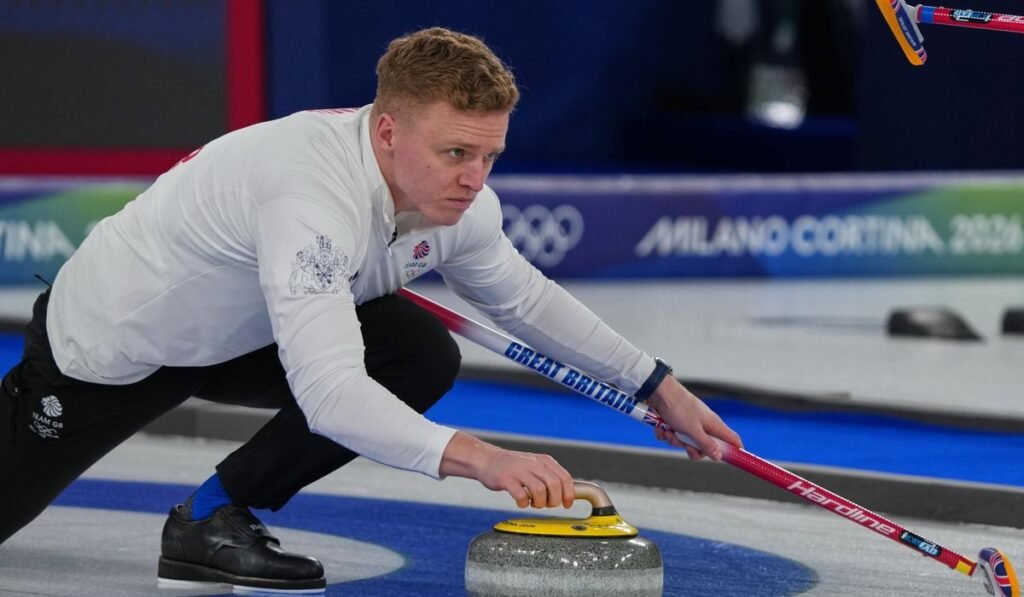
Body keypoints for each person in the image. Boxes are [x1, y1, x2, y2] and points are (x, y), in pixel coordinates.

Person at [0, 27, 742, 593]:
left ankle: (210, 516)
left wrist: (658, 388)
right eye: (456, 153)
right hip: (112, 347)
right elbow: (328, 395)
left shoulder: (460, 203)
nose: (474, 179)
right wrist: (483, 458)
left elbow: (524, 298)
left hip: (249, 328)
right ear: (387, 131)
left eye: (490, 156)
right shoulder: (309, 191)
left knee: (417, 351)